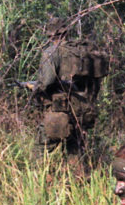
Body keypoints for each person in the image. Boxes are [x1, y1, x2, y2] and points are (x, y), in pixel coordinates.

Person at [29, 18, 107, 154]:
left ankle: (34, 175)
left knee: (40, 147)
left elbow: (47, 81)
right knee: (75, 149)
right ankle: (78, 175)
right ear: (66, 32)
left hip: (61, 107)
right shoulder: (81, 52)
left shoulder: (52, 52)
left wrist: (35, 87)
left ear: (50, 35)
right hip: (84, 108)